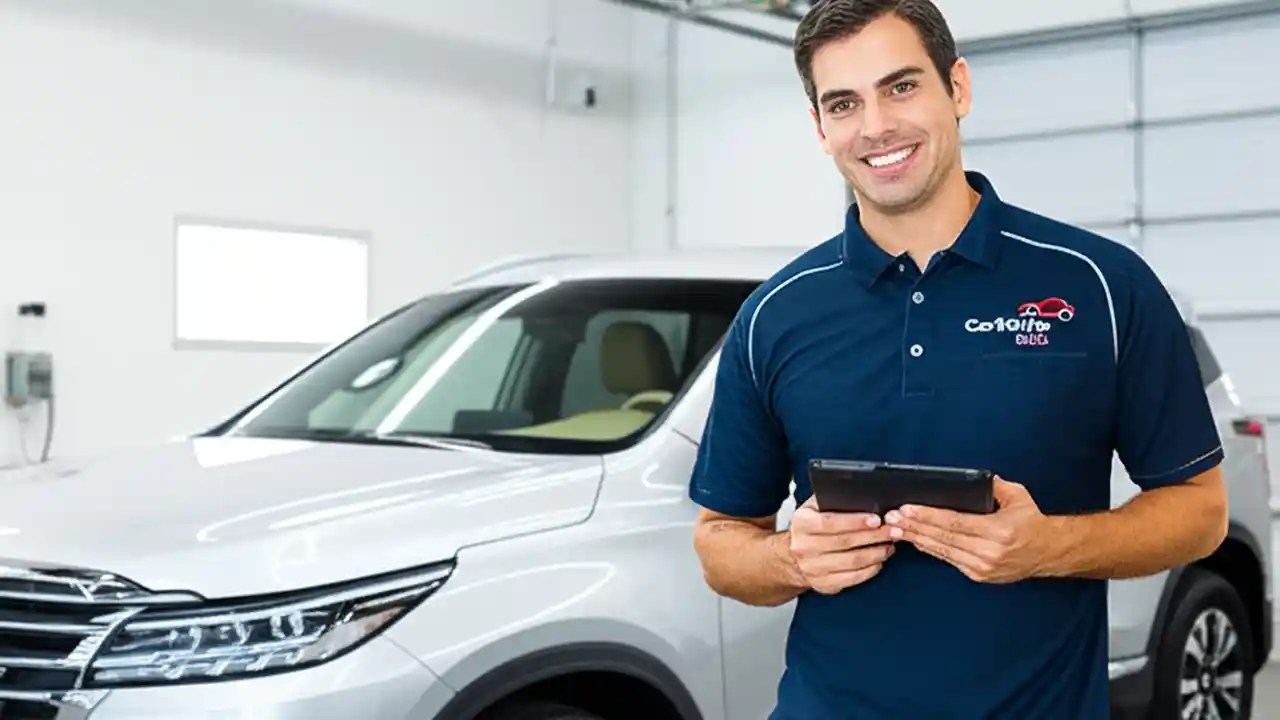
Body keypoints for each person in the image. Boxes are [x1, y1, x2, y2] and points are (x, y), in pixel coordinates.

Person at [686, 0, 1229, 717]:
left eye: (901, 86)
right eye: (843, 103)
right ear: (820, 128)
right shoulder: (773, 316)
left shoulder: (1100, 286)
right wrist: (790, 559)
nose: (876, 126)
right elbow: (721, 542)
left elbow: (1201, 512)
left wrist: (1048, 547)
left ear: (959, 88)